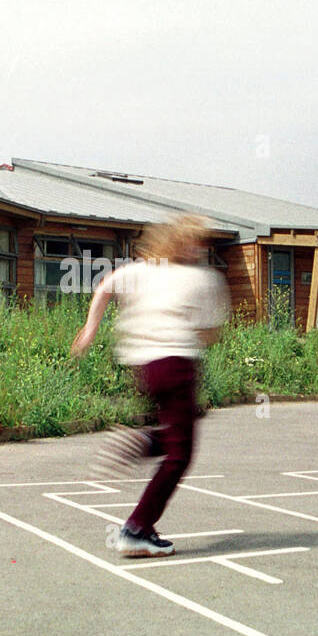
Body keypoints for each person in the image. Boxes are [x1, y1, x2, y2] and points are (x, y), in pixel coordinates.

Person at [70, 214, 230, 557]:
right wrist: (199, 334)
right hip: (176, 365)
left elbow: (105, 287)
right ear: (190, 244)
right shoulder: (204, 279)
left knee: (177, 434)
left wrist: (91, 328)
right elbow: (212, 331)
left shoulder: (144, 270)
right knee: (180, 455)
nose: (201, 248)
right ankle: (137, 528)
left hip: (144, 369)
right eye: (200, 242)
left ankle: (140, 444)